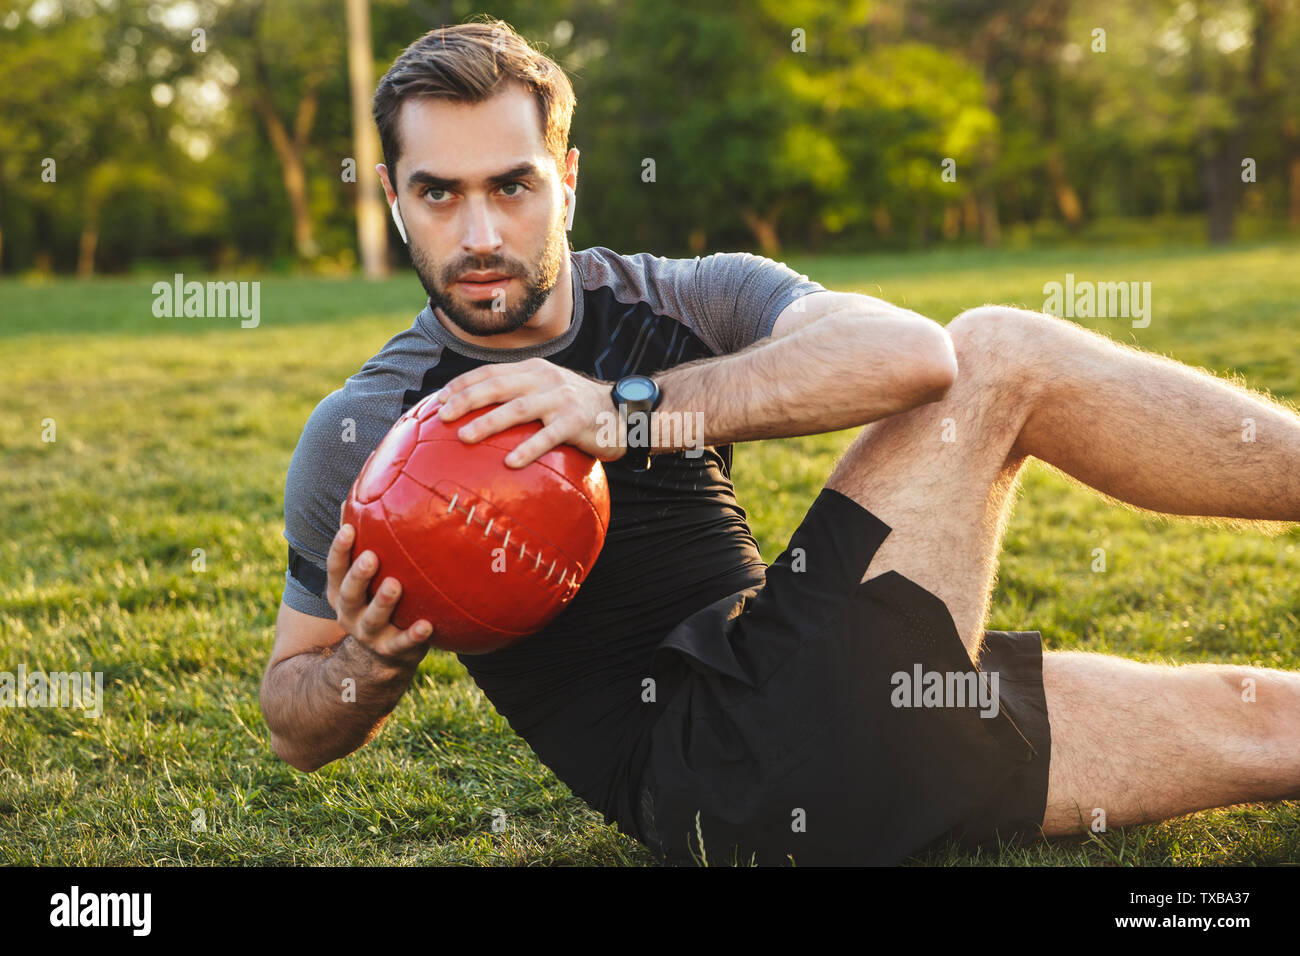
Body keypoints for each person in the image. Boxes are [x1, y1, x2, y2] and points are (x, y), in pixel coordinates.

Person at [259, 20, 1300, 866]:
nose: (479, 232)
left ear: (566, 180)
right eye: (438, 192)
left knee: (1263, 719)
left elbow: (899, 354)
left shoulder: (681, 297)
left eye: (512, 184)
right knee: (1002, 351)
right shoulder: (367, 427)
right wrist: (368, 656)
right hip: (718, 780)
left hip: (818, 692)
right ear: (395, 198)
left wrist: (622, 410)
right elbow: (292, 722)